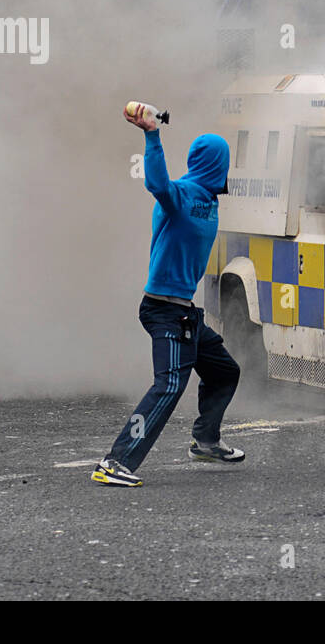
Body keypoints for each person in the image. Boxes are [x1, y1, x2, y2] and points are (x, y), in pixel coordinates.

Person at [92, 103, 243, 487]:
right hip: (162, 309)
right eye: (226, 162)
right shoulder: (179, 195)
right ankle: (115, 462)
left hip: (184, 313)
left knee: (225, 372)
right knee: (170, 384)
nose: (229, 169)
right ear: (216, 163)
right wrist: (151, 135)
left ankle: (205, 442)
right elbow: (157, 184)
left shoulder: (210, 200)